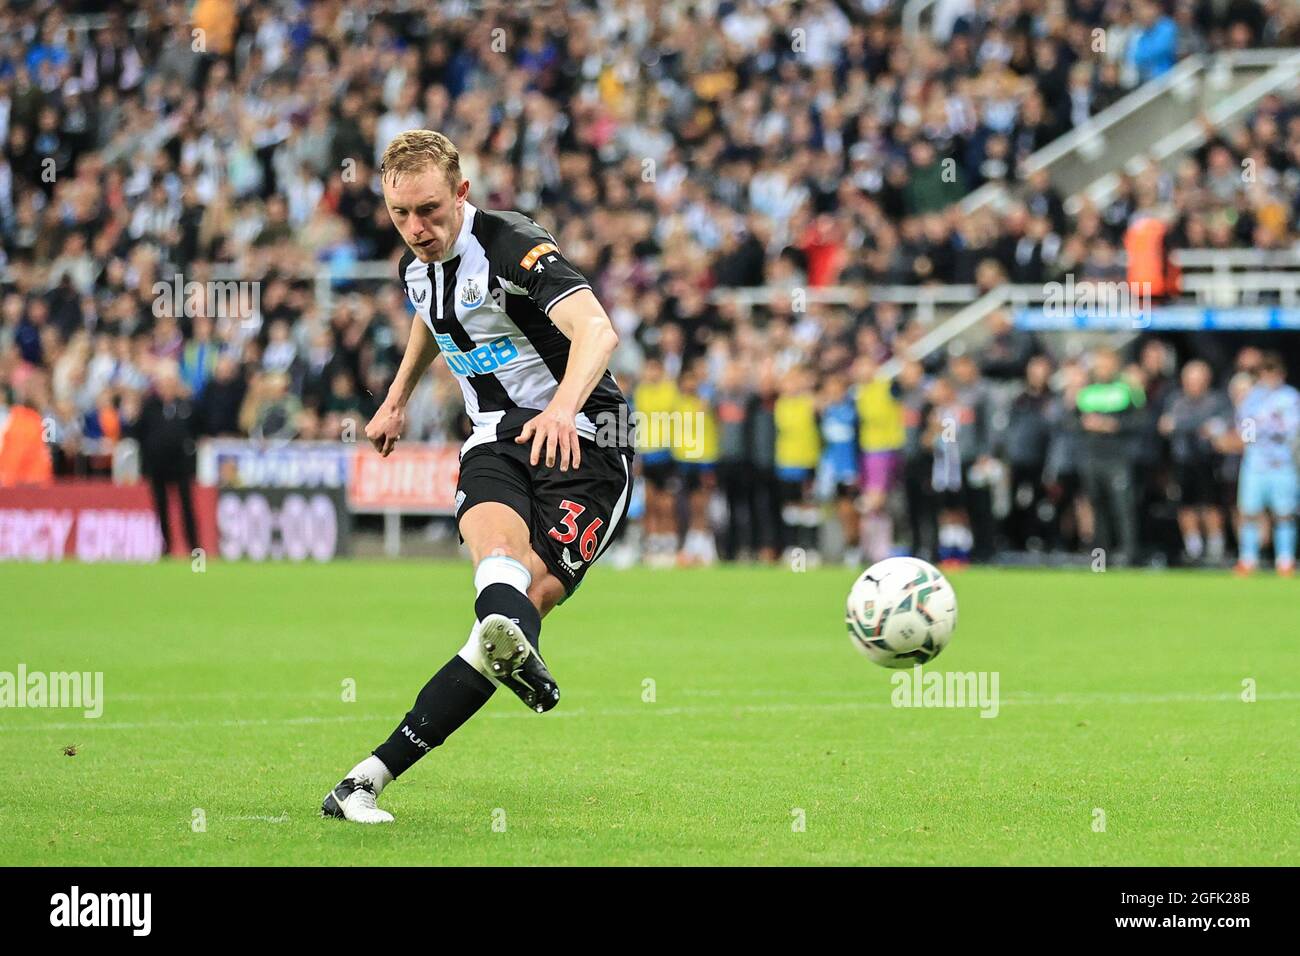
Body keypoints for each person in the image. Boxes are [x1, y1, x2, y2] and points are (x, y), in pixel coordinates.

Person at [323, 130, 635, 824]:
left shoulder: (511, 244)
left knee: (523, 603)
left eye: (430, 210)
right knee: (500, 574)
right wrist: (397, 398)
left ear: (461, 193)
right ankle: (505, 634)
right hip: (496, 438)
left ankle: (364, 779)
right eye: (401, 215)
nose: (417, 228)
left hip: (588, 444)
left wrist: (559, 410)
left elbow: (598, 331)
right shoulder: (417, 266)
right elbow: (433, 320)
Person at [122, 361, 200, 557]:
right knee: (161, 508)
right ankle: (166, 547)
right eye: (163, 383)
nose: (166, 387)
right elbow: (134, 433)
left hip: (181, 465)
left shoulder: (186, 406)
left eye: (170, 382)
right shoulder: (150, 407)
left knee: (186, 507)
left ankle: (194, 548)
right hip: (156, 466)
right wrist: (129, 417)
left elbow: (199, 430)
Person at [1231, 353, 1299, 576]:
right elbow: (1247, 431)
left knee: (1284, 513)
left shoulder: (1291, 397)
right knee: (1249, 512)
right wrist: (1269, 426)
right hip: (1255, 464)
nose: (1269, 378)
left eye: (1273, 372)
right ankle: (1248, 559)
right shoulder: (1252, 398)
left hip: (1282, 464)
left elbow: (1290, 428)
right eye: (1265, 373)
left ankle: (1285, 559)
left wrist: (1268, 427)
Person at [1159, 360, 1230, 565]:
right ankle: (1193, 548)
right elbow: (1165, 425)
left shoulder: (1217, 400)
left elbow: (1217, 426)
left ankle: (1216, 547)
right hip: (1182, 460)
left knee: (1211, 504)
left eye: (1199, 380)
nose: (1194, 384)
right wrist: (1194, 426)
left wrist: (1183, 426)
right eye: (1191, 380)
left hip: (1209, 461)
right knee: (1185, 505)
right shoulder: (1176, 400)